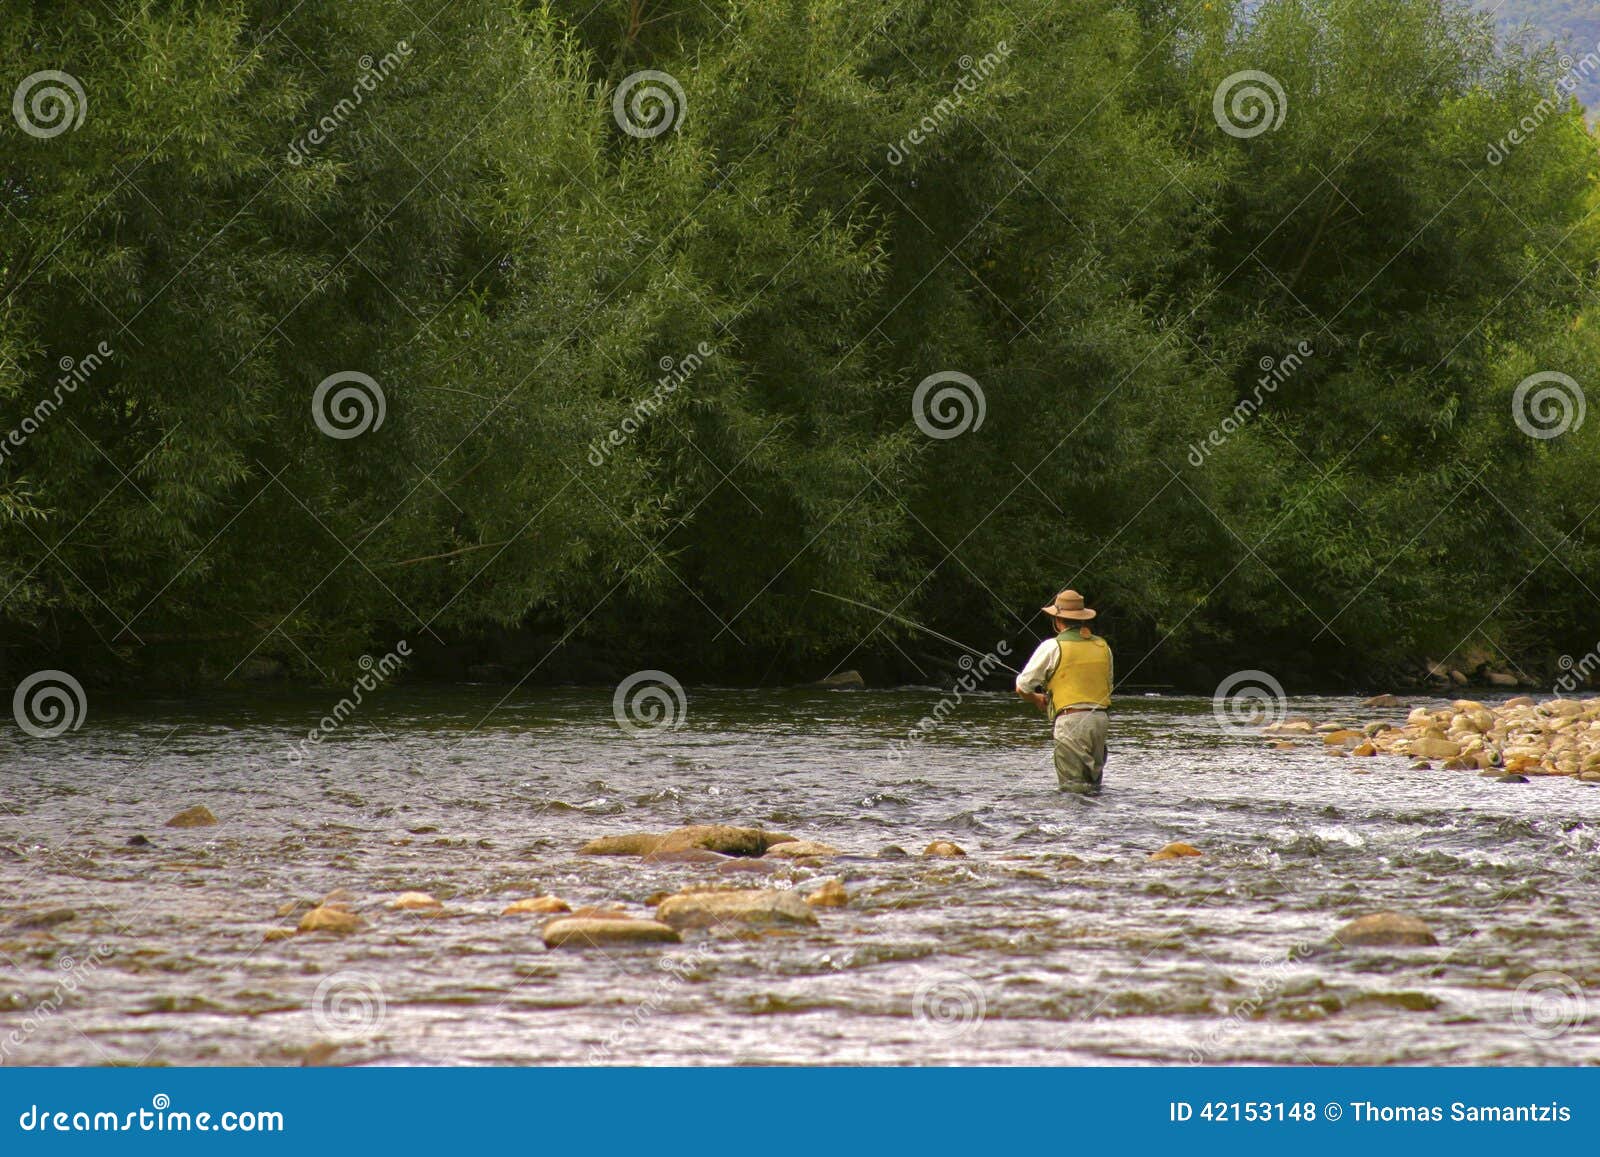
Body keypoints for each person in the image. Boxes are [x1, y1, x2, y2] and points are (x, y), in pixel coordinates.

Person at [1014, 589, 1112, 793]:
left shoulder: (1052, 646)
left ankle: (1074, 825)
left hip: (1071, 721)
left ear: (1057, 621)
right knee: (1093, 788)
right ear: (1083, 619)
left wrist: (1035, 698)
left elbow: (1022, 686)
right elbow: (1107, 685)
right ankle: (1099, 824)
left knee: (1072, 791)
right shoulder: (1103, 646)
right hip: (1100, 720)